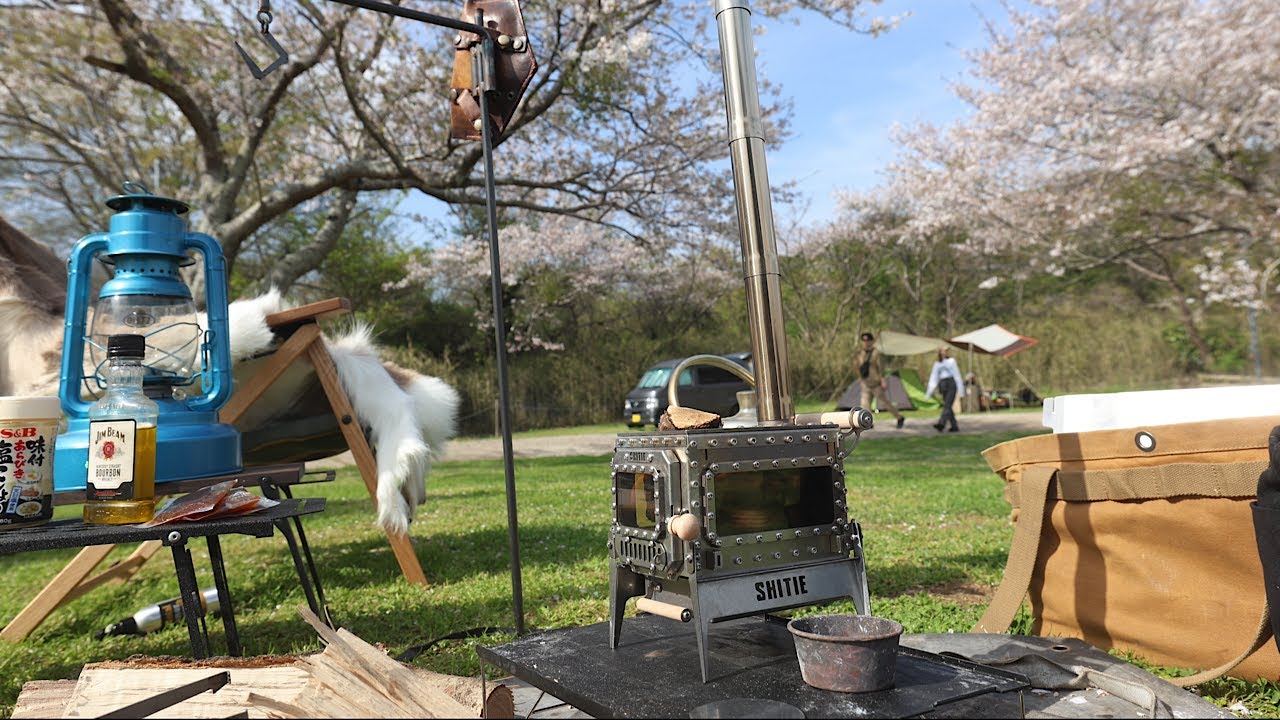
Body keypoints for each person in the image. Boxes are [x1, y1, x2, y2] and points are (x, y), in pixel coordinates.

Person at [853, 332, 905, 429]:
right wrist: (860, 379)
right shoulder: (859, 354)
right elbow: (856, 367)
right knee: (865, 405)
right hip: (865, 383)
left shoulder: (876, 353)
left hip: (875, 383)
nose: (866, 343)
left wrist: (882, 380)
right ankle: (868, 422)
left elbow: (880, 368)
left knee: (885, 402)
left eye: (868, 340)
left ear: (872, 341)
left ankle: (899, 417)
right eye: (864, 341)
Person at [925, 345, 966, 432]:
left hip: (951, 383)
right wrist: (929, 392)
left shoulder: (951, 361)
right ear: (939, 352)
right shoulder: (937, 364)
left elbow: (957, 375)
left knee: (947, 405)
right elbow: (934, 377)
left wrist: (961, 390)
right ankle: (954, 427)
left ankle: (941, 424)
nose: (944, 352)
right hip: (943, 384)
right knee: (948, 406)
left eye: (946, 351)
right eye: (942, 351)